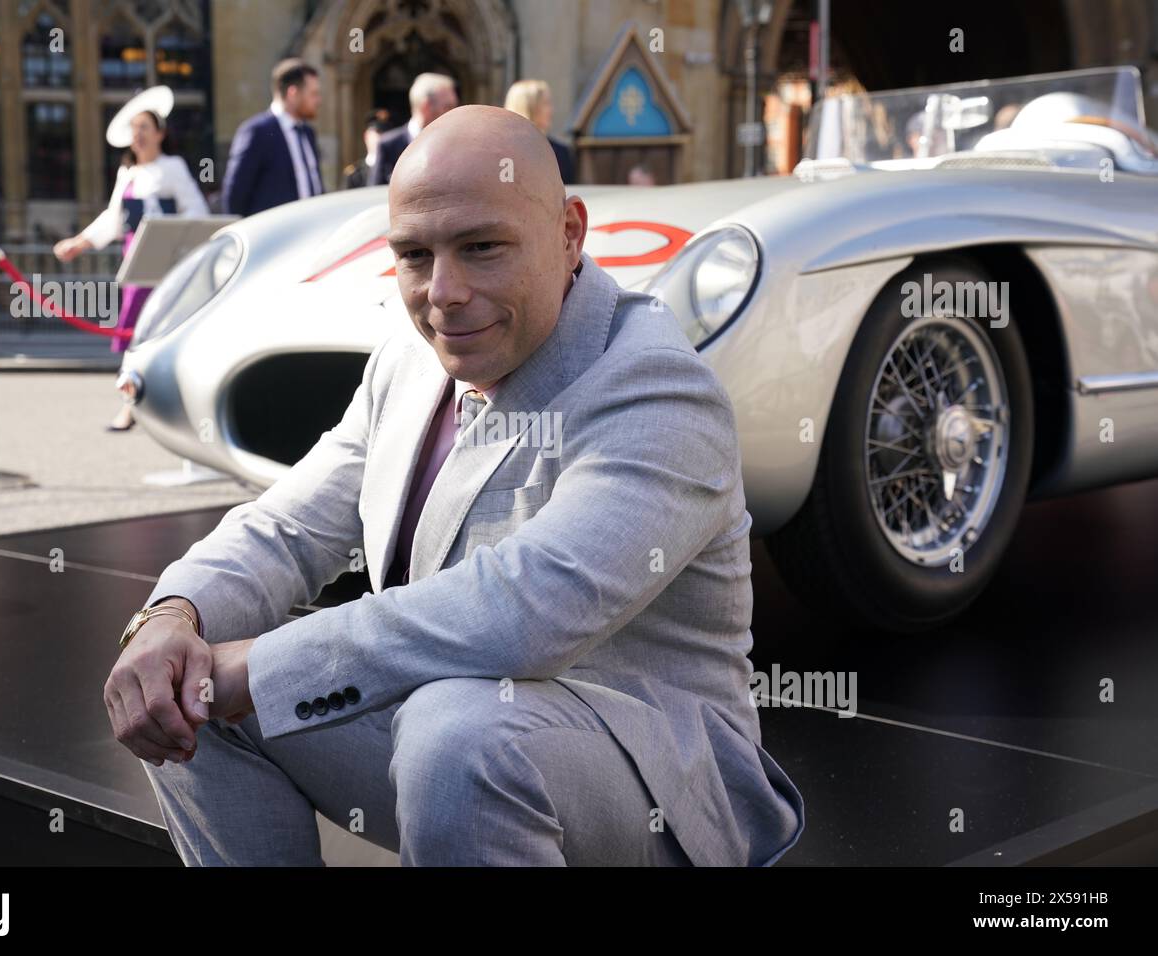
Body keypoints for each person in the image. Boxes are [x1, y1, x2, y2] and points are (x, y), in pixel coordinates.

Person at [105, 105, 805, 867]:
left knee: (457, 729)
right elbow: (290, 525)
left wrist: (263, 668)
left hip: (658, 786)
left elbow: (529, 606)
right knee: (181, 692)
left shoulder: (657, 388)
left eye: (482, 247)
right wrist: (174, 617)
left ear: (570, 233)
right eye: (415, 254)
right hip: (456, 739)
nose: (444, 291)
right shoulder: (409, 362)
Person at [53, 86, 206, 431]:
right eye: (134, 129)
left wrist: (167, 232)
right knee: (134, 333)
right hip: (136, 265)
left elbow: (195, 210)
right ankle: (130, 403)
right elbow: (113, 218)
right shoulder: (128, 174)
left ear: (160, 133)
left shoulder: (173, 168)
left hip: (167, 266)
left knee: (164, 332)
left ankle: (171, 404)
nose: (138, 135)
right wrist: (80, 242)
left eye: (145, 128)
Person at [223, 59, 324, 216]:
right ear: (292, 93)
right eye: (313, 94)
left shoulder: (308, 133)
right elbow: (235, 196)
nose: (319, 101)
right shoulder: (257, 132)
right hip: (275, 229)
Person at [367, 73, 458, 186]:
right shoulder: (388, 145)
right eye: (448, 107)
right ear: (426, 107)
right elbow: (374, 191)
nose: (454, 113)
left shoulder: (456, 144)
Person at [503, 79, 574, 183]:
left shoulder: (560, 153)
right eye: (546, 103)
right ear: (528, 107)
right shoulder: (502, 152)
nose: (551, 110)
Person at [343, 109, 390, 188]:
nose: (381, 138)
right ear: (366, 136)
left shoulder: (393, 171)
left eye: (385, 134)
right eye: (377, 133)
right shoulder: (354, 174)